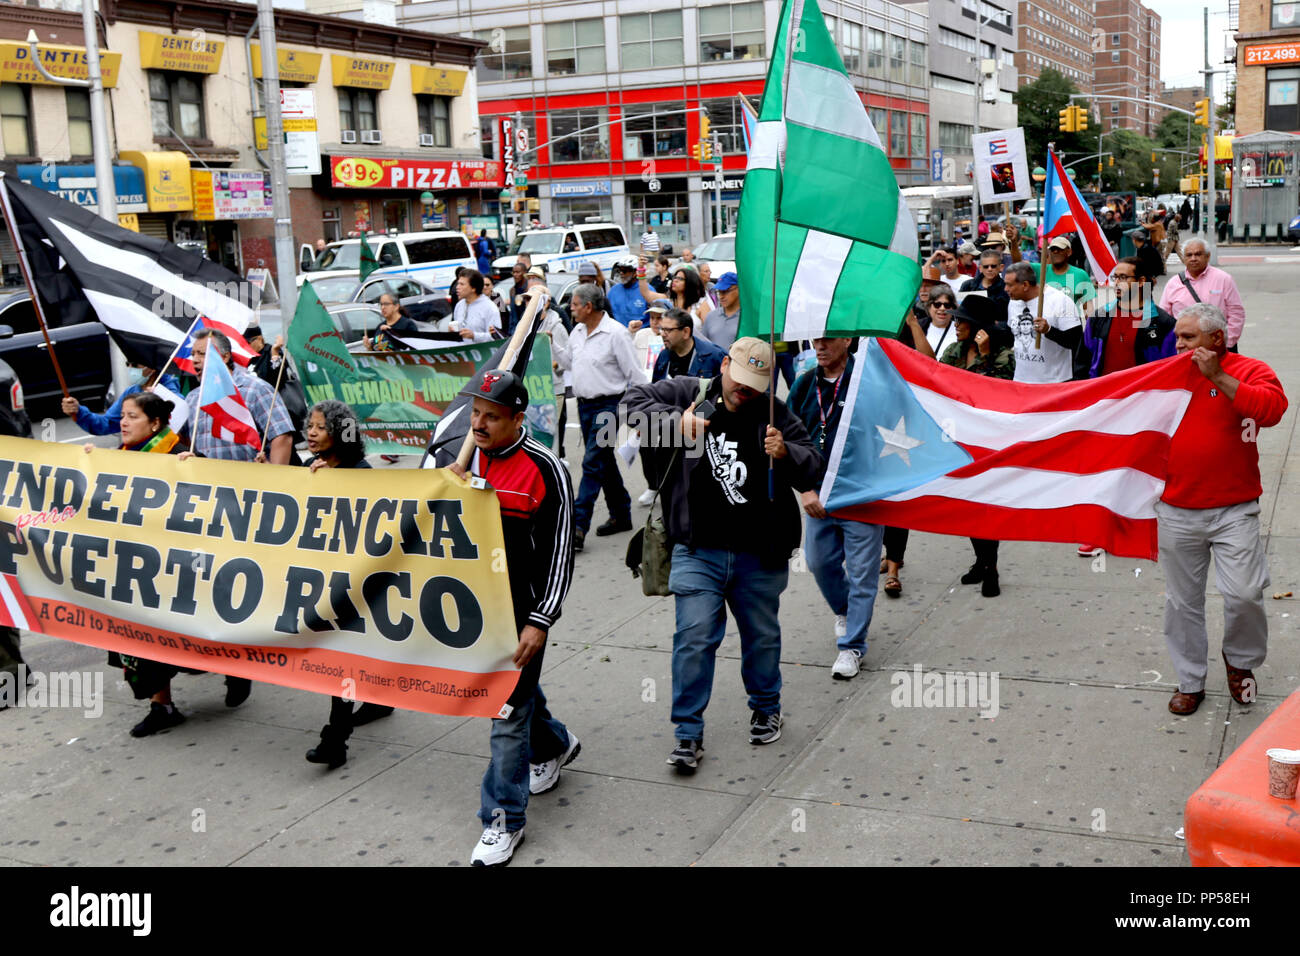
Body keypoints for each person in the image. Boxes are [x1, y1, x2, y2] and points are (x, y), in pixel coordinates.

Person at [623, 338, 822, 772]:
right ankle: (687, 733)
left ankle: (767, 706)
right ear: (725, 364)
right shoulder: (688, 391)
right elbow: (628, 408)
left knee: (762, 636)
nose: (743, 391)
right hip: (698, 549)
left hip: (760, 553)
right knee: (693, 639)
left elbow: (813, 465)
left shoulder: (776, 413)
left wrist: (786, 453)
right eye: (738, 380)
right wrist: (678, 423)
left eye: (754, 385)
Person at [447, 370, 579, 866]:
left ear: (517, 418)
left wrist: (540, 620)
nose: (478, 424)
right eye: (474, 413)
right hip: (474, 609)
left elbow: (561, 550)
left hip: (520, 612)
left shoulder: (546, 469)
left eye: (491, 417)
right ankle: (554, 744)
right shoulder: (460, 456)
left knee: (504, 709)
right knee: (520, 702)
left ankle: (503, 820)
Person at [1158, 303, 1288, 715]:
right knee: (1183, 602)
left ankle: (1241, 662)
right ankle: (1190, 680)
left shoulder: (1251, 370)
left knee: (1245, 594)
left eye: (1188, 337)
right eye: (1177, 337)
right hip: (1176, 510)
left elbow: (1271, 411)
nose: (1178, 344)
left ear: (1217, 339)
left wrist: (1217, 377)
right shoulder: (1165, 374)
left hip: (1235, 511)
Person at [84, 391, 202, 736]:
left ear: (155, 423)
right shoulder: (119, 458)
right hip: (137, 570)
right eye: (123, 415)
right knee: (143, 640)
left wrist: (198, 469)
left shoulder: (180, 455)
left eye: (133, 416)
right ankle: (161, 705)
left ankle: (235, 670)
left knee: (189, 638)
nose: (123, 422)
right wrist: (88, 465)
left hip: (180, 568)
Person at [300, 400, 394, 769]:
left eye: (320, 428)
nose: (310, 432)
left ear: (339, 434)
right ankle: (379, 700)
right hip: (327, 578)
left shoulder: (360, 472)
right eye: (309, 425)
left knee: (340, 657)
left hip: (357, 581)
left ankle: (335, 740)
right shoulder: (314, 468)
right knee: (350, 652)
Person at [789, 336, 882, 678]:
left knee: (862, 575)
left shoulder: (870, 378)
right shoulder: (803, 386)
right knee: (819, 562)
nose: (820, 346)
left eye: (828, 340)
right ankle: (844, 610)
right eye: (816, 341)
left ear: (847, 340)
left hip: (863, 496)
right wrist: (804, 488)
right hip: (819, 497)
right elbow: (788, 439)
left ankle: (853, 646)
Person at [939, 295, 1014, 598]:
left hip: (988, 439)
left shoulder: (1003, 354)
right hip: (957, 436)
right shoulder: (953, 350)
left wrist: (983, 355)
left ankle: (991, 567)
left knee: (985, 505)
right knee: (967, 503)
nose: (955, 325)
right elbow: (940, 382)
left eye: (962, 320)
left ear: (979, 326)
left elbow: (996, 392)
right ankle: (981, 561)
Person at [567, 283, 642, 550]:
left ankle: (577, 525)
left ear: (588, 307)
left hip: (609, 407)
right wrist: (547, 344)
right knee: (603, 462)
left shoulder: (616, 334)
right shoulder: (576, 332)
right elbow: (567, 362)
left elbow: (636, 376)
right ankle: (621, 515)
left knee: (591, 463)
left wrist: (641, 413)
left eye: (575, 304)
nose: (571, 309)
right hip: (585, 406)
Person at [184, 329, 294, 465]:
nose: (195, 360)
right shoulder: (192, 398)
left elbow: (282, 435)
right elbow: (185, 440)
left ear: (225, 357)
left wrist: (276, 477)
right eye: (193, 354)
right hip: (208, 482)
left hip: (249, 480)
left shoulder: (255, 389)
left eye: (202, 354)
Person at [1158, 237, 1247, 352]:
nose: (1193, 258)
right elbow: (1164, 319)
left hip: (1218, 347)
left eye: (1198, 254)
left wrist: (1227, 343)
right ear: (1184, 258)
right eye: (1189, 255)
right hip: (1185, 350)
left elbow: (1236, 313)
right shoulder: (1173, 283)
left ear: (1207, 256)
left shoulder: (1223, 279)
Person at [1003, 261, 1081, 384]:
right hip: (1020, 381)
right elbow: (1011, 335)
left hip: (1053, 382)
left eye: (1009, 285)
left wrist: (1049, 330)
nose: (1005, 289)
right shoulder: (1013, 301)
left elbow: (1076, 340)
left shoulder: (1061, 301)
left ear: (1025, 285)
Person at [61, 362, 181, 436]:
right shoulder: (131, 392)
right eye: (127, 364)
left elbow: (180, 408)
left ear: (152, 367)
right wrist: (78, 411)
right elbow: (105, 424)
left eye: (135, 365)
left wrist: (162, 395)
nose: (123, 423)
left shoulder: (168, 389)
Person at [605, 256, 667, 329]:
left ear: (635, 273)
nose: (621, 273)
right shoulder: (613, 290)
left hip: (641, 333)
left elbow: (658, 315)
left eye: (624, 271)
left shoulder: (647, 290)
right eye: (619, 270)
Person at [1042, 236, 1096, 309]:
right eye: (1052, 249)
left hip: (1071, 318)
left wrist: (1089, 319)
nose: (1055, 251)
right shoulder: (1041, 271)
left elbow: (1089, 308)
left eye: (1060, 249)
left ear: (1069, 252)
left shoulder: (1080, 274)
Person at [451, 269, 501, 343]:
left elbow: (497, 338)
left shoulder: (490, 308)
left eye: (462, 284)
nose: (457, 287)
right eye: (458, 284)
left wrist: (474, 335)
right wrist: (453, 332)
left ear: (473, 288)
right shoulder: (459, 305)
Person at [699, 272, 740, 349]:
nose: (721, 296)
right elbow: (704, 346)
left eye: (726, 291)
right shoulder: (711, 316)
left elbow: (758, 355)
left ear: (738, 289)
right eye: (719, 292)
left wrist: (749, 361)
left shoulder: (747, 319)